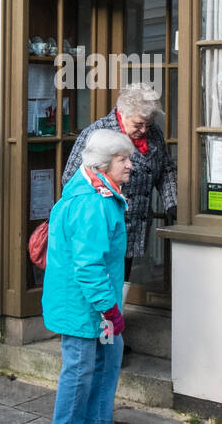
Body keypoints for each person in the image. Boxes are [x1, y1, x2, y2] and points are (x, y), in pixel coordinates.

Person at [43, 128, 135, 424]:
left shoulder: (101, 193)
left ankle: (96, 418)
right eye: (122, 159)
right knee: (80, 365)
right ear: (102, 165)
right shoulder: (92, 204)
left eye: (129, 158)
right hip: (84, 306)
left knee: (110, 355)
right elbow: (88, 266)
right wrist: (109, 309)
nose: (130, 166)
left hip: (96, 304)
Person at [61, 84, 178, 285]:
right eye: (138, 124)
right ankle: (104, 316)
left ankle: (115, 316)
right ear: (122, 112)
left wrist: (172, 203)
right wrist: (107, 200)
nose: (143, 130)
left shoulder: (154, 134)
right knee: (100, 278)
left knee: (121, 278)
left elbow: (166, 169)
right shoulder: (98, 133)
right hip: (104, 222)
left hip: (136, 223)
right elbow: (72, 178)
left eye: (148, 124)